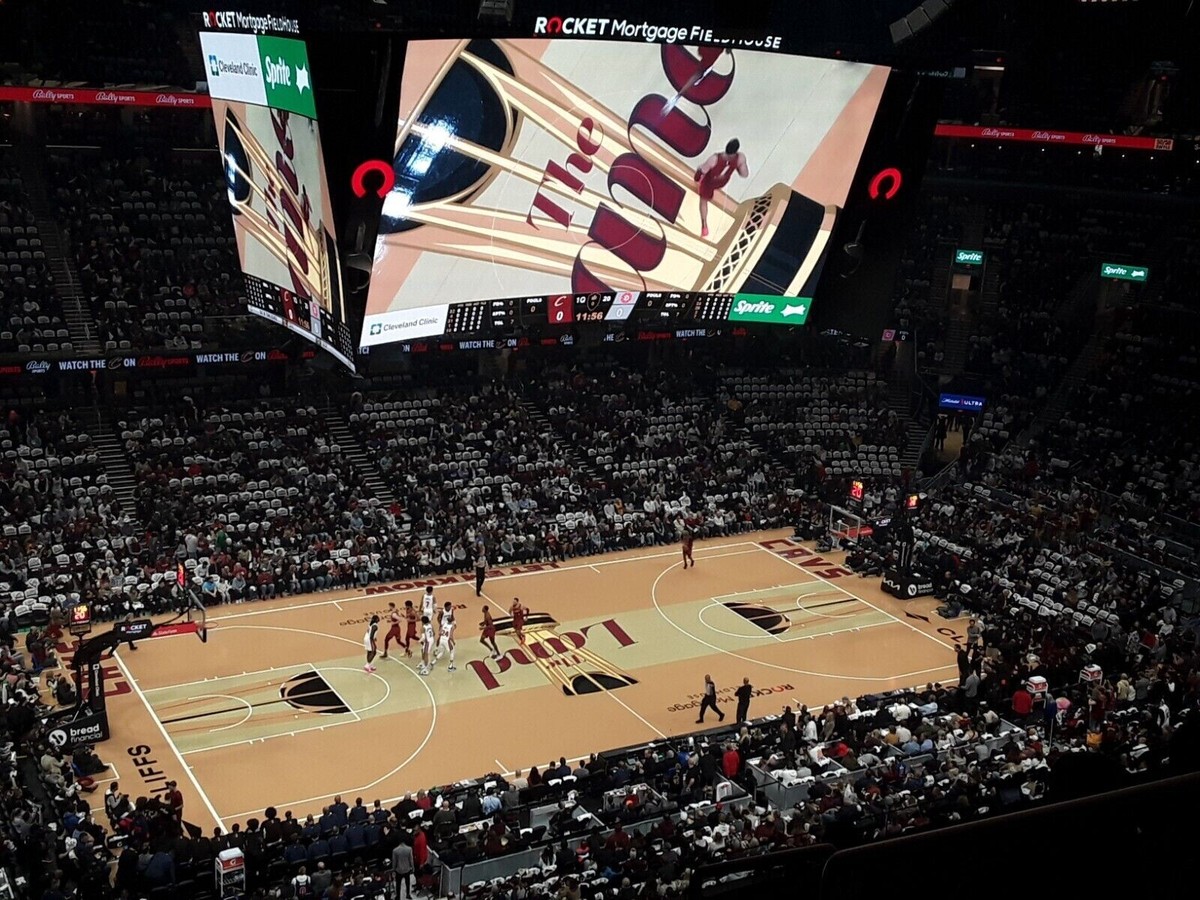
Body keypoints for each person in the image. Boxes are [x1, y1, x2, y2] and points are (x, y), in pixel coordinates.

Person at [694, 138, 748, 237]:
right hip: (722, 182)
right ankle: (704, 225)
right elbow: (744, 174)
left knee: (703, 201)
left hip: (710, 182)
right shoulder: (740, 157)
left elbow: (702, 171)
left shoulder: (714, 159)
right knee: (709, 187)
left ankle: (704, 225)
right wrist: (739, 166)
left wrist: (697, 175)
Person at [435, 601, 457, 671]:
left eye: (450, 606)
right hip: (443, 625)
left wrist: (454, 622)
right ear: (446, 607)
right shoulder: (442, 612)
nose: (450, 607)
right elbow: (438, 618)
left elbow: (452, 617)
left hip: (449, 624)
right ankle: (436, 649)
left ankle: (443, 647)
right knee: (440, 637)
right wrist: (441, 624)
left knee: (446, 636)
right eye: (449, 606)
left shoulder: (451, 610)